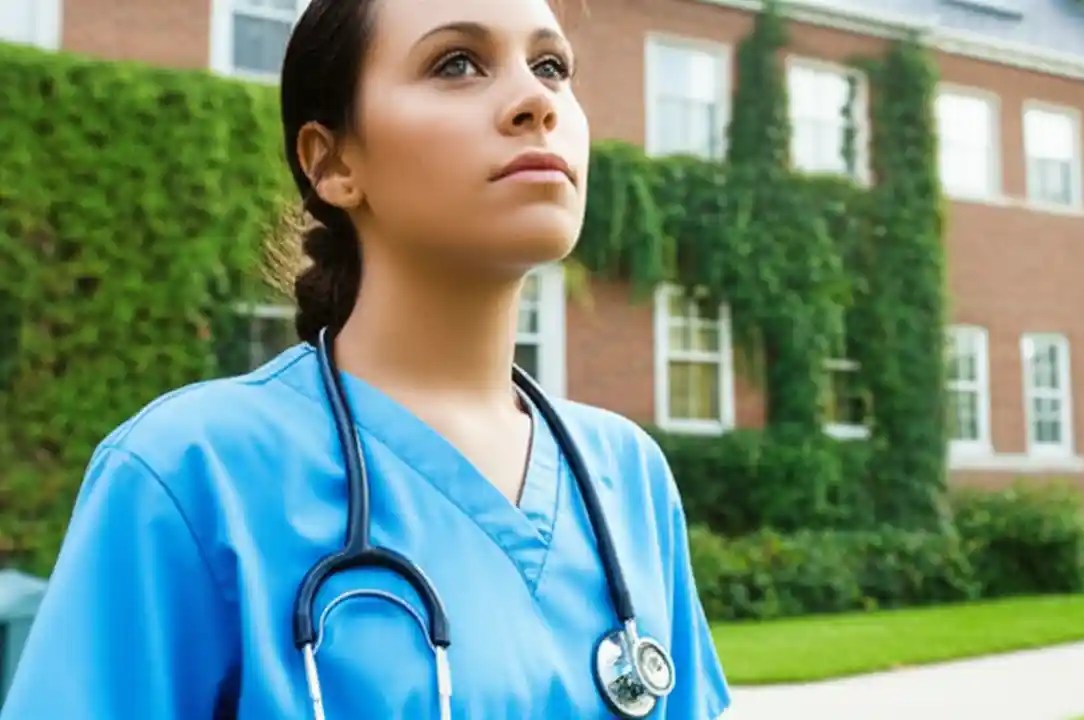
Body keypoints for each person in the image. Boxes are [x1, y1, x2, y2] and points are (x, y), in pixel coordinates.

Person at [0, 0, 732, 717]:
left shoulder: (624, 475)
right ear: (333, 163)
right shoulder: (192, 475)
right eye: (457, 63)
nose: (535, 102)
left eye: (550, 65)